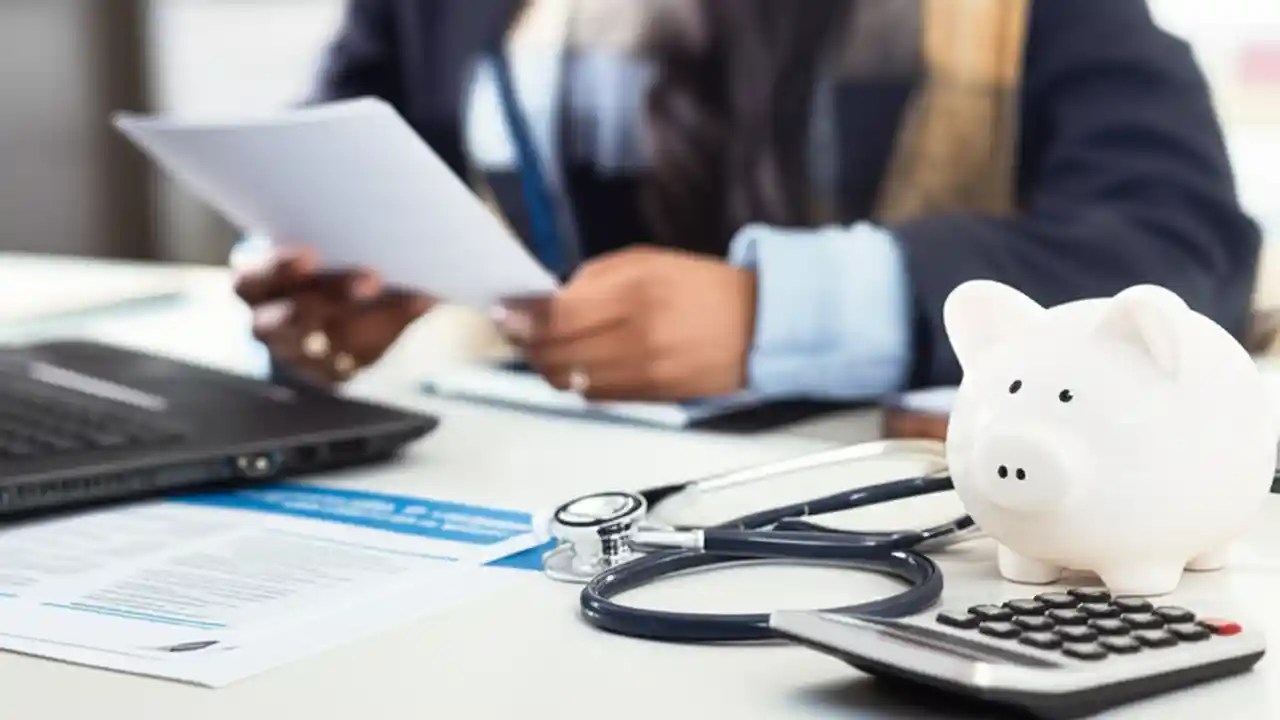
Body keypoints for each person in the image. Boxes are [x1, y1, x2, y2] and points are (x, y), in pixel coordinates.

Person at [235, 0, 1261, 402]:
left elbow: (1175, 248)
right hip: (536, 486)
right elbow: (343, 146)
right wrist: (313, 275)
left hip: (927, 510)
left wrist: (781, 313)